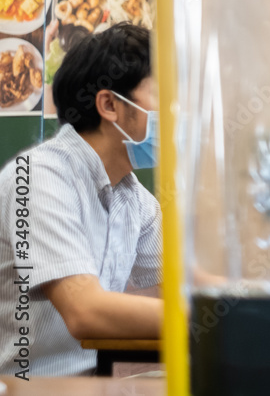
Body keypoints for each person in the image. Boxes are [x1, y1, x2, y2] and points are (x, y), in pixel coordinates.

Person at [0, 24, 162, 376]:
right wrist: (200, 315)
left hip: (90, 381)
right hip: (23, 386)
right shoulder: (38, 177)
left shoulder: (134, 197)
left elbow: (184, 282)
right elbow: (85, 312)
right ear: (109, 105)